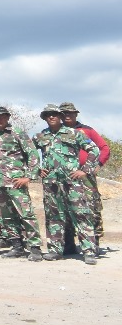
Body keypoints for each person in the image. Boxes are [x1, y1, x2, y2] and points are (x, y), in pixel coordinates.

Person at [34, 104, 99, 264]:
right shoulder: (41, 136)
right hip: (51, 184)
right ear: (44, 118)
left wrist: (85, 170)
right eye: (48, 115)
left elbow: (94, 150)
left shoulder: (74, 134)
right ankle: (55, 250)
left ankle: (89, 251)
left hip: (73, 182)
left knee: (81, 215)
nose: (51, 117)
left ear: (60, 116)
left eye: (54, 114)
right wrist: (37, 169)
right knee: (53, 217)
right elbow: (29, 153)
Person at [0, 104, 43, 261]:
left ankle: (35, 248)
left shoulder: (17, 133)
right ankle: (17, 246)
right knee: (5, 217)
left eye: (1, 117)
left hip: (16, 183)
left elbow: (33, 155)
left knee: (26, 214)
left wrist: (28, 177)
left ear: (8, 118)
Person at [60, 102, 110, 244]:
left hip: (86, 175)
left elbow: (104, 148)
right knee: (65, 207)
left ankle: (94, 242)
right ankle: (68, 243)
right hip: (65, 176)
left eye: (70, 113)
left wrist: (98, 165)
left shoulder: (86, 130)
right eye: (64, 113)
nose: (67, 116)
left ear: (76, 114)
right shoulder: (57, 132)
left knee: (92, 206)